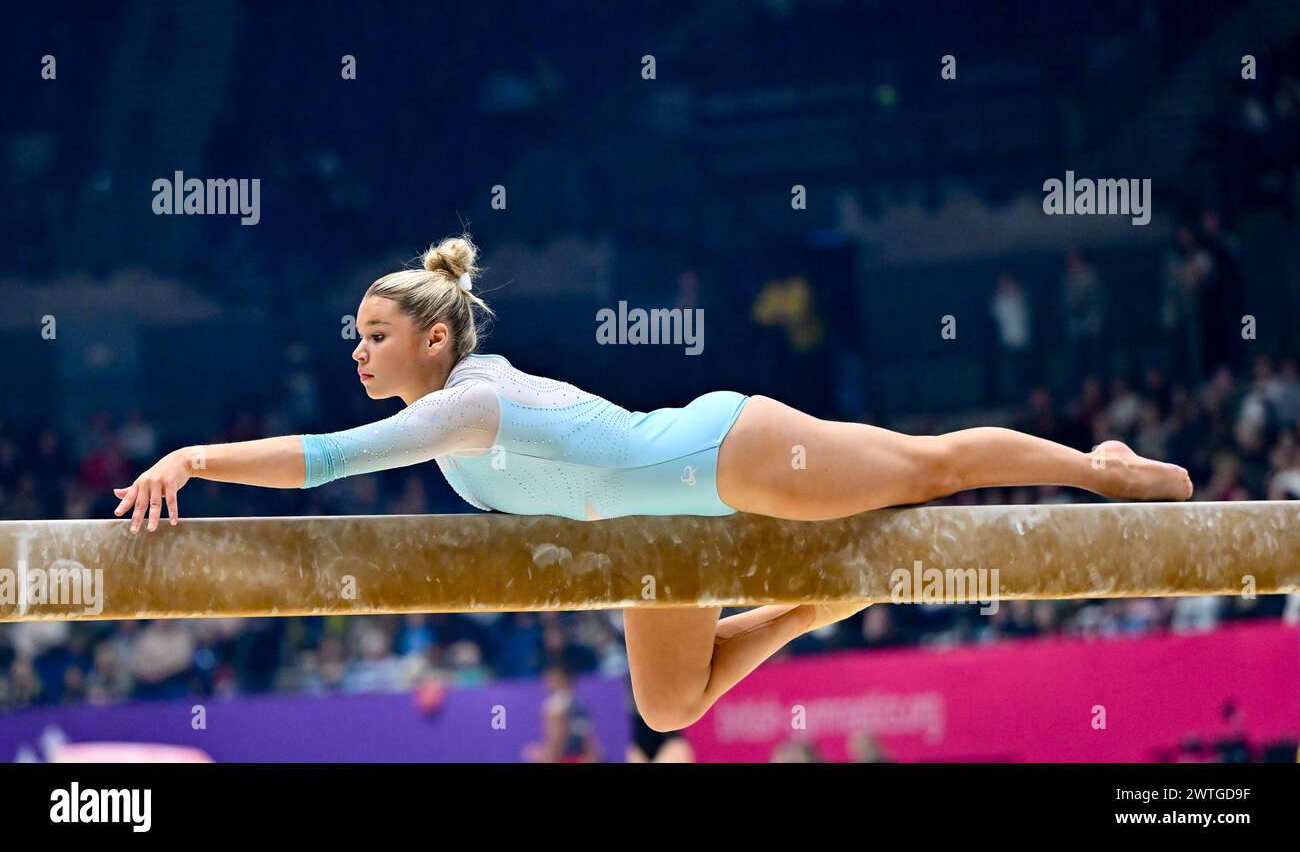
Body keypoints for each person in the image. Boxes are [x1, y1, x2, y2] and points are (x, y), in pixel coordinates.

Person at [112, 235, 1194, 733]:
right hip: (657, 542)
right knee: (669, 705)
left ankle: (1094, 468)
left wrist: (193, 458)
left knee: (926, 471)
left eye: (376, 336)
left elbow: (331, 460)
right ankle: (823, 601)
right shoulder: (445, 427)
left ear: (434, 340)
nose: (357, 351)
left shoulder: (467, 402)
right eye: (355, 337)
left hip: (722, 454)